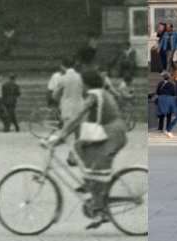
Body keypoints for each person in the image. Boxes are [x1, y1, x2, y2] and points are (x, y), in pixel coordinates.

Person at [49, 68, 127, 229]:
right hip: (112, 131)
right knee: (79, 149)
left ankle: (99, 207)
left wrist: (61, 135)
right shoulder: (101, 93)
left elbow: (77, 118)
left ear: (85, 83)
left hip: (110, 134)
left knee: (95, 167)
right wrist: (64, 136)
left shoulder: (94, 95)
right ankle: (92, 188)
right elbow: (82, 122)